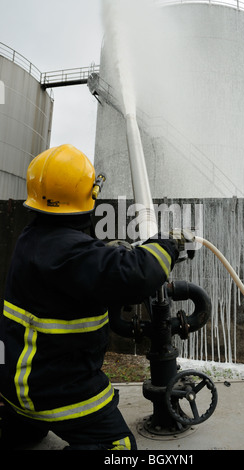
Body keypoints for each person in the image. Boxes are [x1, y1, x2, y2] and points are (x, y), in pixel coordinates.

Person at [0, 144, 190, 450]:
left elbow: (85, 260)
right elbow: (139, 273)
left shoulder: (33, 239)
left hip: (15, 383)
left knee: (26, 431)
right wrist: (165, 245)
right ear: (89, 194)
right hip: (59, 390)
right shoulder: (70, 253)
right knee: (120, 450)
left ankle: (24, 427)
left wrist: (109, 253)